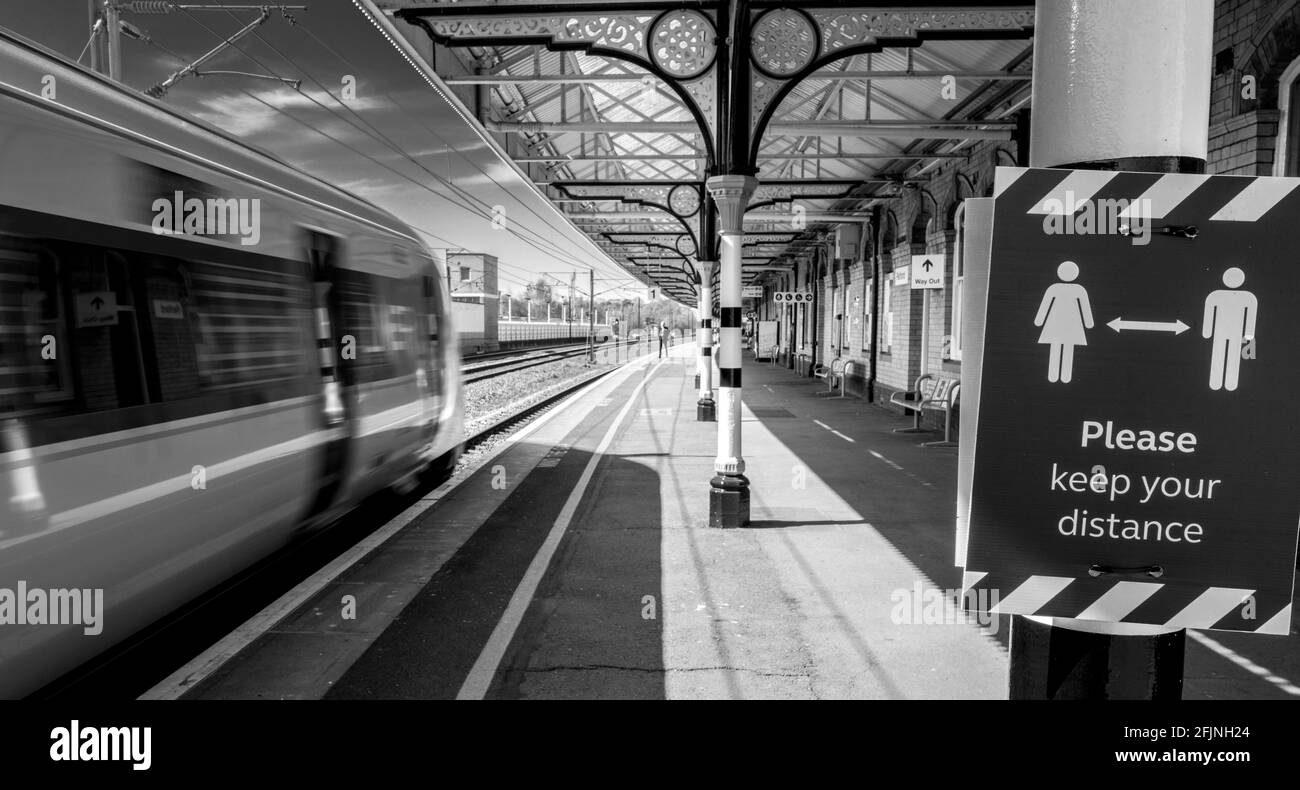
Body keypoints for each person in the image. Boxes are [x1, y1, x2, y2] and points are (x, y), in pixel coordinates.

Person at [1033, 260, 1093, 384]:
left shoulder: (1055, 288)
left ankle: (1056, 376)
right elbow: (1085, 309)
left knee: (1057, 346)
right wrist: (1088, 323)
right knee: (1066, 348)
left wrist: (1039, 321)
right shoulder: (1078, 289)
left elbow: (1045, 306)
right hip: (1071, 323)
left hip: (1057, 323)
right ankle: (1063, 376)